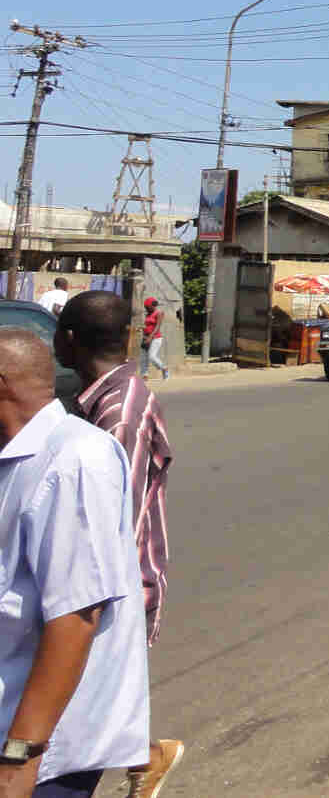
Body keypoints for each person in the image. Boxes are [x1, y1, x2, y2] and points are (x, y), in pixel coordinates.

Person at [0, 329, 150, 797]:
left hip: (40, 748)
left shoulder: (73, 460)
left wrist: (20, 758)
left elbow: (76, 616)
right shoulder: (18, 458)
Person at [53, 293, 182, 798]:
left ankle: (146, 755)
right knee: (90, 699)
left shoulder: (119, 412)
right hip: (109, 582)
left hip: (117, 584)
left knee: (73, 702)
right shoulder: (96, 398)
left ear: (67, 341)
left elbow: (110, 522)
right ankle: (147, 756)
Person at [139, 299, 168, 381]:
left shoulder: (159, 313)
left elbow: (157, 327)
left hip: (156, 338)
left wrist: (150, 337)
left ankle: (164, 368)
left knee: (152, 356)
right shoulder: (148, 314)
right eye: (145, 307)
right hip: (146, 337)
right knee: (143, 358)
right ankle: (144, 376)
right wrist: (141, 328)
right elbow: (147, 326)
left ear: (153, 306)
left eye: (147, 307)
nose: (146, 309)